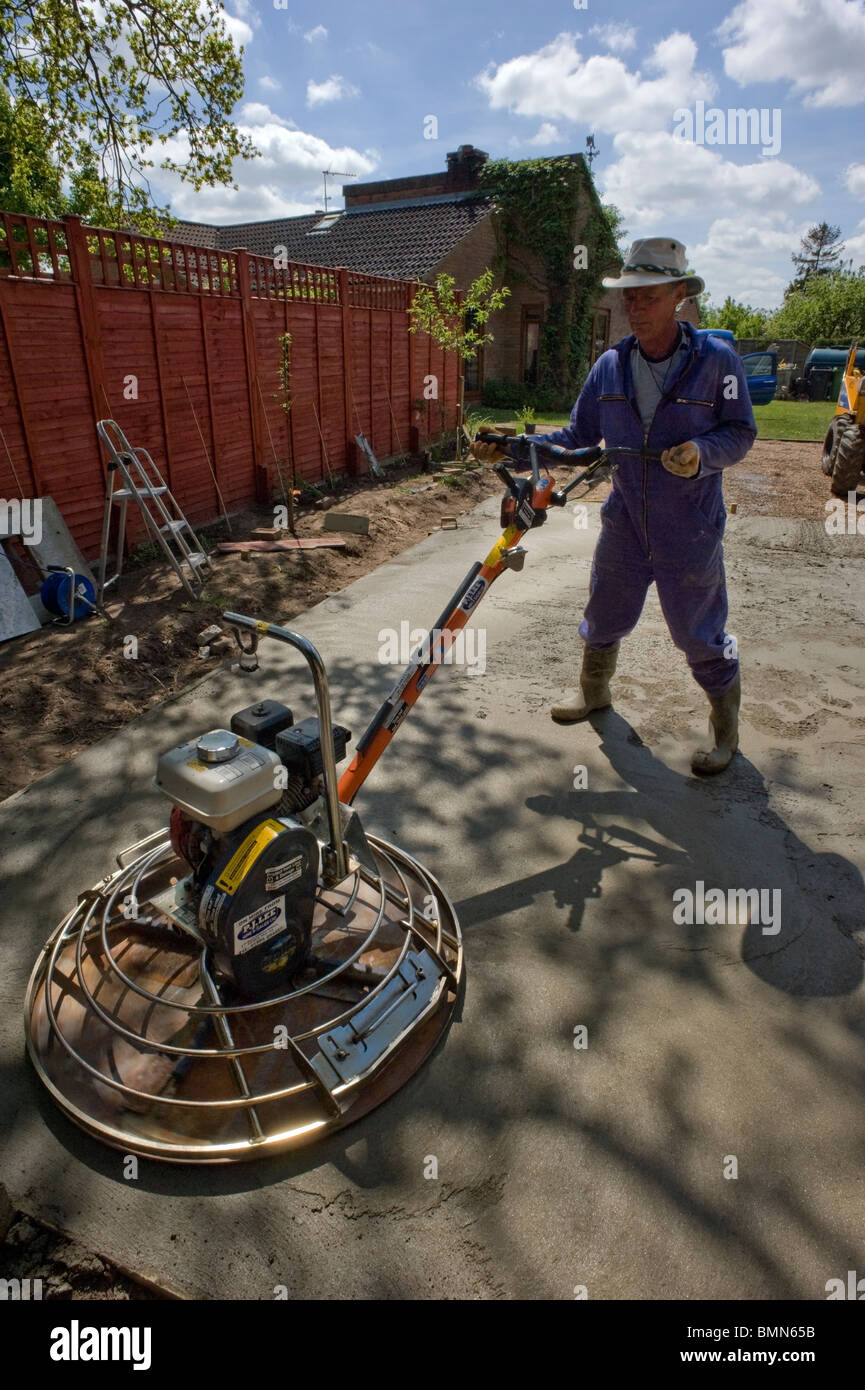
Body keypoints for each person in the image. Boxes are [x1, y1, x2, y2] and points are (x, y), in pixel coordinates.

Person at [471, 237, 757, 775]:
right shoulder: (609, 366)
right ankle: (594, 692)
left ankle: (726, 731)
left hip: (689, 526)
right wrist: (510, 446)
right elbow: (579, 437)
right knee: (604, 612)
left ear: (678, 295)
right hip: (625, 520)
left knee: (697, 633)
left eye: (648, 295)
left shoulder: (717, 361)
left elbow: (741, 431)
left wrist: (703, 453)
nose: (635, 307)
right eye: (629, 296)